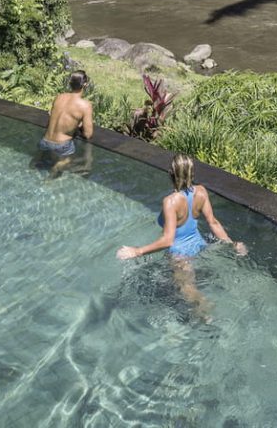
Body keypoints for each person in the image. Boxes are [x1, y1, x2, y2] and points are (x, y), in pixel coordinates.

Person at [116, 155, 246, 313]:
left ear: (171, 173)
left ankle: (207, 316)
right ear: (192, 173)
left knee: (188, 292)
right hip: (200, 245)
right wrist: (231, 244)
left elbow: (168, 240)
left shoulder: (170, 202)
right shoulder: (201, 192)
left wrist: (137, 251)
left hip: (180, 255)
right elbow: (213, 223)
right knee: (191, 285)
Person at [38, 70, 94, 174]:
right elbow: (88, 134)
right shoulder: (85, 105)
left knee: (41, 164)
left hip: (44, 142)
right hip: (62, 145)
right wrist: (78, 125)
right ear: (85, 85)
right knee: (73, 160)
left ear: (70, 83)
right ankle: (58, 166)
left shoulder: (59, 97)